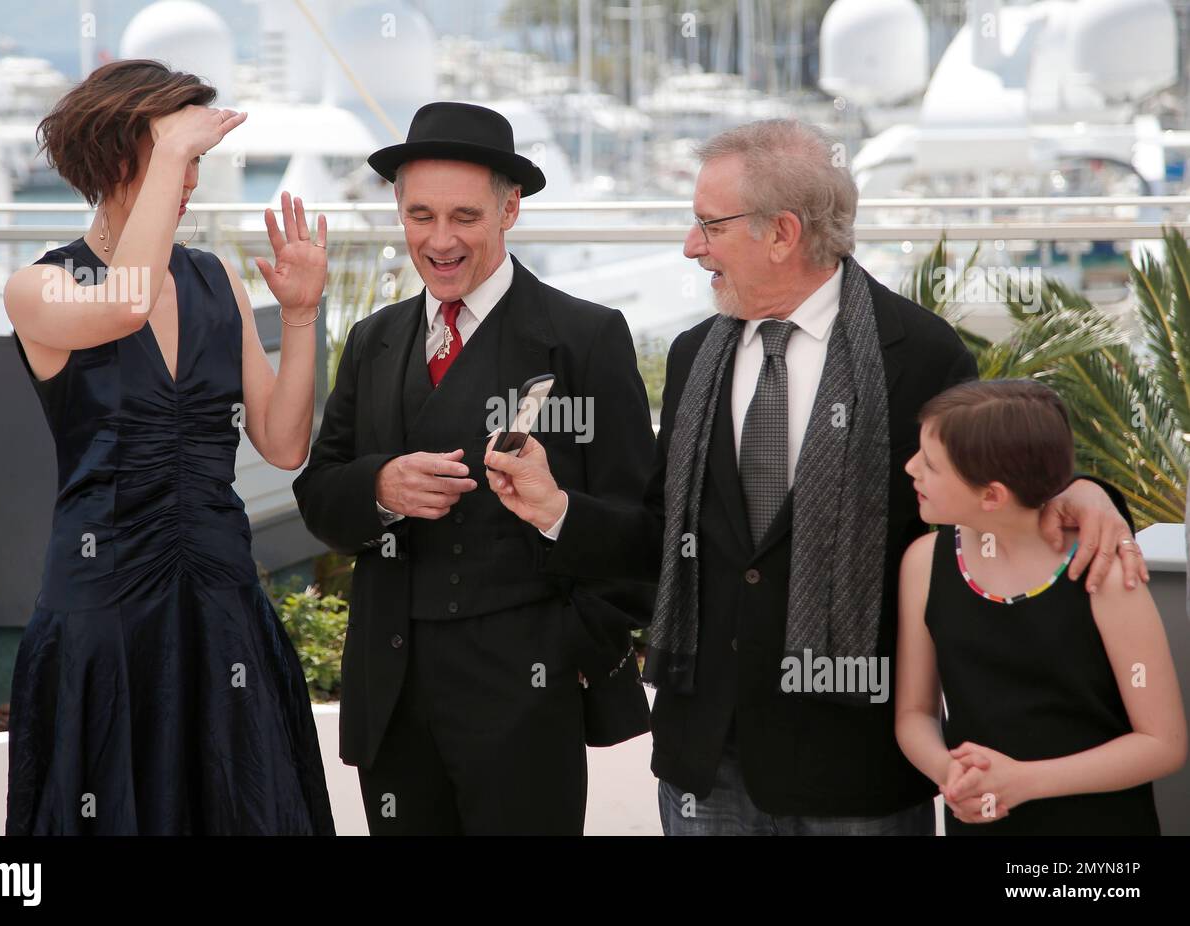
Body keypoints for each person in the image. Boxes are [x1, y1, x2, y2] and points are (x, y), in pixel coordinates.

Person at [484, 118, 1147, 836]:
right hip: (708, 761)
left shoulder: (919, 354)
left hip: (853, 770)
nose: (691, 247)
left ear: (783, 234)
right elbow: (664, 540)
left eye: (709, 225)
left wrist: (1085, 494)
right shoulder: (691, 357)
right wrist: (555, 508)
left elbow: (989, 502)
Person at [291, 101, 656, 835]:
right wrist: (381, 488)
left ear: (510, 209)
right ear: (398, 209)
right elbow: (321, 497)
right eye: (420, 215)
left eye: (464, 216)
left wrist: (572, 649)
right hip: (394, 697)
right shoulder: (373, 340)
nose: (440, 240)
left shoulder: (584, 339)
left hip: (527, 699)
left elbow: (646, 533)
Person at [2, 59, 333, 835]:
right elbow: (122, 305)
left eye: (196, 162)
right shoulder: (40, 288)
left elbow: (283, 446)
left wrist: (301, 317)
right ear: (122, 157)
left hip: (220, 600)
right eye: (179, 158)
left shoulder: (216, 278)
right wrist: (171, 154)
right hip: (103, 605)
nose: (192, 181)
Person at [895, 379, 1186, 834]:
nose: (911, 467)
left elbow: (1163, 743)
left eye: (931, 464)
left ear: (992, 495)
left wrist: (1022, 782)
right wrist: (950, 775)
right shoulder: (923, 564)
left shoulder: (1104, 575)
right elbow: (914, 714)